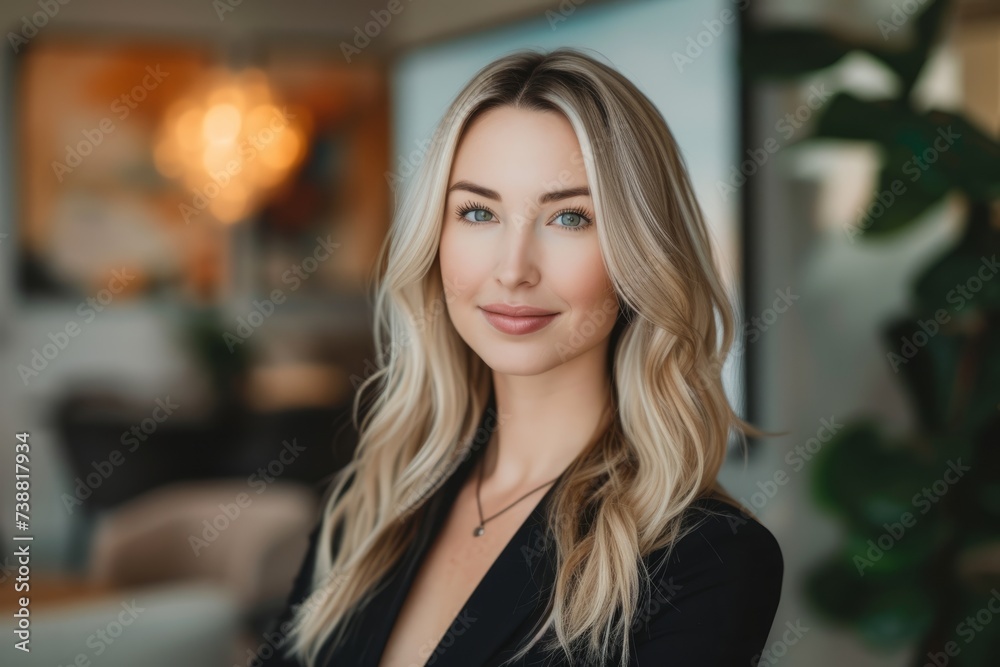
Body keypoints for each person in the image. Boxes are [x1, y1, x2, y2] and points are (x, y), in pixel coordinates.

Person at [256, 46, 783, 667]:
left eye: (569, 218)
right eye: (478, 212)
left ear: (638, 252)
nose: (513, 270)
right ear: (436, 236)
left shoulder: (707, 559)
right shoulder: (370, 511)